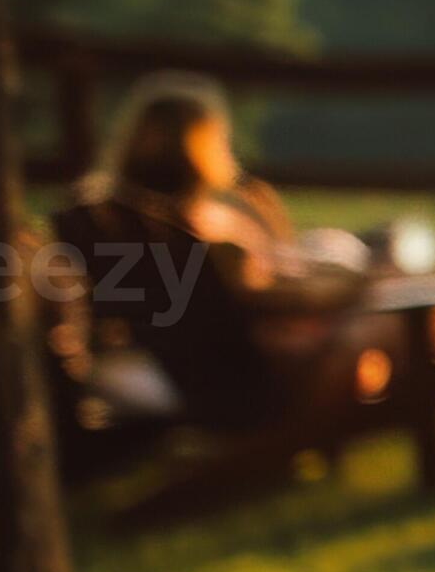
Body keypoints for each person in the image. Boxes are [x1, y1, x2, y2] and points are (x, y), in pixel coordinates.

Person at [61, 73, 379, 427]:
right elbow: (275, 295)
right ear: (204, 144)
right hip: (237, 387)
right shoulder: (196, 232)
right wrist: (357, 277)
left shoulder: (96, 219)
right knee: (373, 332)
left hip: (174, 374)